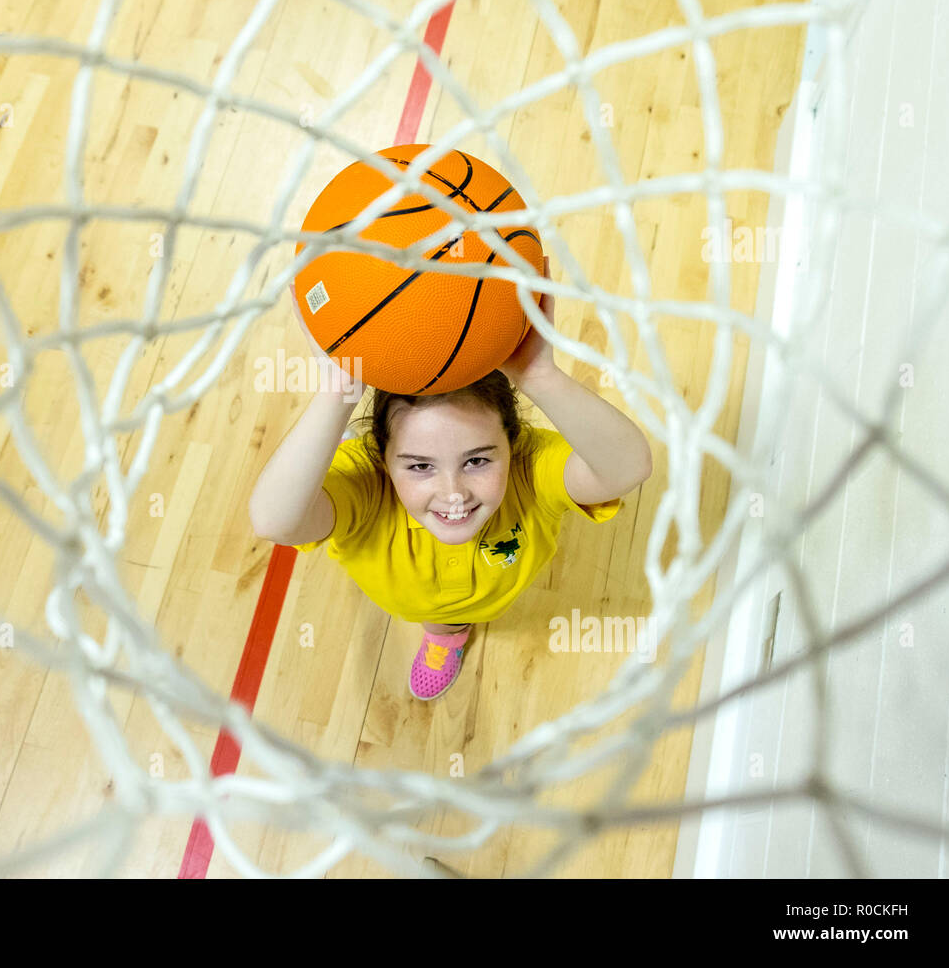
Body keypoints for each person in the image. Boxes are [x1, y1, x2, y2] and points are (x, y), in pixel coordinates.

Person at [248, 258, 652, 700]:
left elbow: (627, 468)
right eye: (420, 466)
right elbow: (273, 521)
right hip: (411, 592)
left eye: (477, 461)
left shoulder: (528, 467)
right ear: (380, 458)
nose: (454, 493)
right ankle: (443, 634)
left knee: (453, 616)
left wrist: (540, 376)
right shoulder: (366, 483)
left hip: (487, 596)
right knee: (439, 616)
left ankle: (448, 632)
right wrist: (336, 395)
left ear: (512, 442)